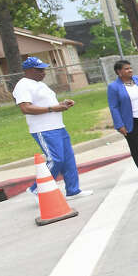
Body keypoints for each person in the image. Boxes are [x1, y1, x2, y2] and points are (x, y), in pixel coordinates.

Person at [12, 56, 91, 199]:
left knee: (68, 159)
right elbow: (26, 108)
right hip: (44, 129)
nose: (43, 72)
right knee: (56, 160)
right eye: (39, 70)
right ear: (29, 70)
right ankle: (36, 189)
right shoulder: (23, 85)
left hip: (58, 126)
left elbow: (48, 104)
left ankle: (73, 190)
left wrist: (62, 104)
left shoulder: (40, 84)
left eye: (44, 69)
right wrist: (52, 108)